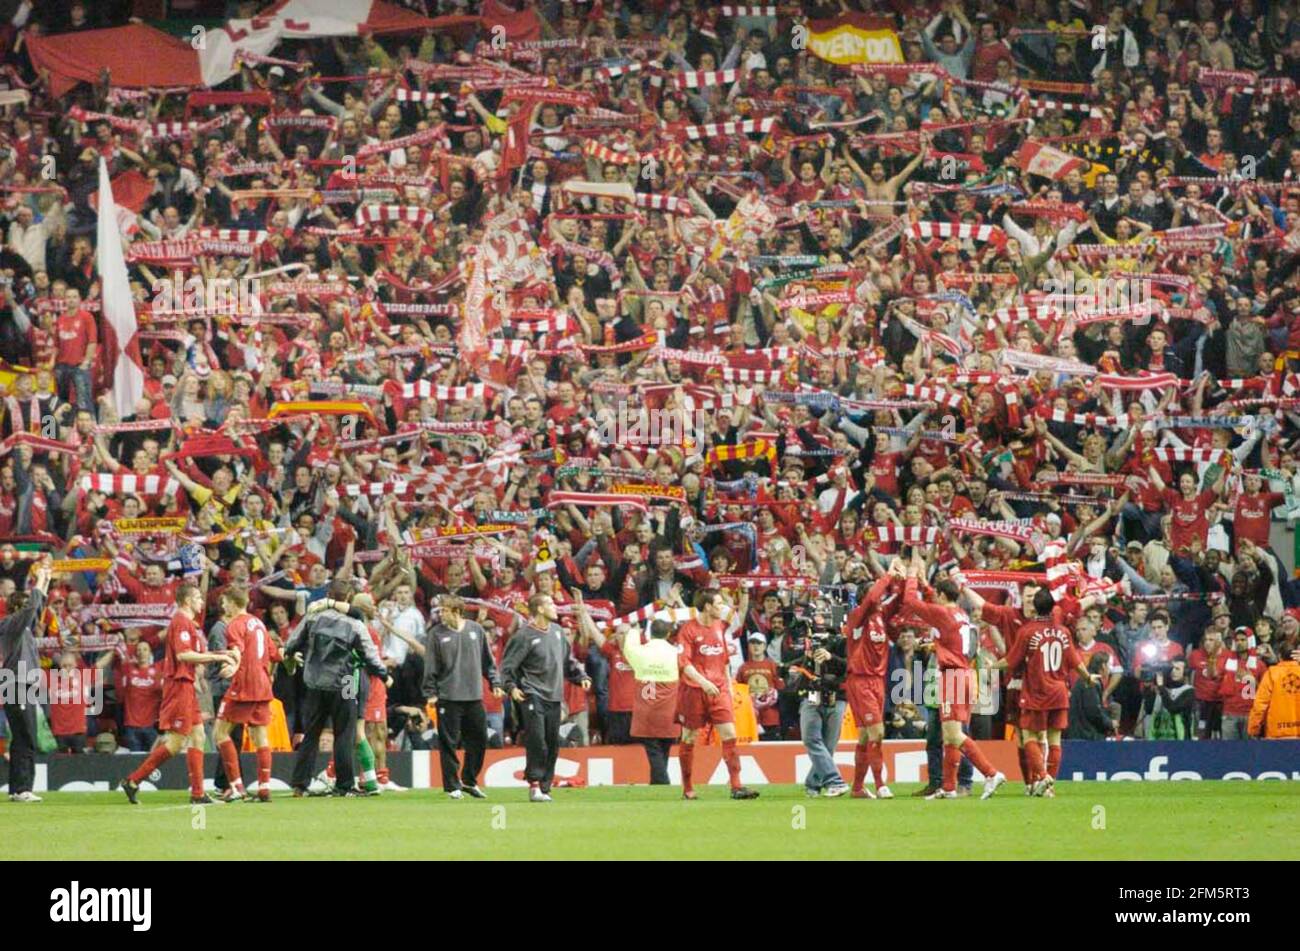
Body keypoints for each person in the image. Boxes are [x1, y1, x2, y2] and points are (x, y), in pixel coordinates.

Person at [900, 552, 1006, 800]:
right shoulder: (960, 613)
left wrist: (912, 575)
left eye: (936, 594)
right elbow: (932, 605)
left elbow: (910, 602)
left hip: (953, 678)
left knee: (954, 735)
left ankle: (991, 773)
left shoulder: (943, 614)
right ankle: (948, 788)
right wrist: (928, 585)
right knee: (951, 734)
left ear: (942, 596)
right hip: (966, 675)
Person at [121, 582, 235, 805]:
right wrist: (217, 657)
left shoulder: (188, 623)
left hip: (187, 686)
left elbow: (194, 655)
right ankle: (133, 780)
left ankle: (198, 793)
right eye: (198, 598)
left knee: (199, 735)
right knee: (175, 743)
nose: (202, 602)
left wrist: (218, 657)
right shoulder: (181, 622)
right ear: (187, 600)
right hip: (178, 686)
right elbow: (184, 655)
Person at [284, 581, 389, 798]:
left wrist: (291, 658)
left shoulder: (312, 618)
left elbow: (291, 643)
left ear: (329, 595)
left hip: (315, 682)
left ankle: (299, 785)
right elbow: (371, 655)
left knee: (311, 734)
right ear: (349, 597)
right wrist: (384, 675)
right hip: (346, 683)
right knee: (345, 733)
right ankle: (344, 785)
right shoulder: (355, 624)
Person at [1002, 588, 1102, 797]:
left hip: (1037, 692)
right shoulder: (1064, 632)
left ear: (1035, 607)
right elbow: (1075, 660)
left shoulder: (1028, 632)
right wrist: (1088, 677)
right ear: (1052, 607)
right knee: (1054, 739)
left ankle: (1043, 776)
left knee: (1029, 736)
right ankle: (1050, 787)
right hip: (1059, 692)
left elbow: (1011, 661)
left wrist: (990, 666)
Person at [500, 593, 591, 802]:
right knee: (537, 740)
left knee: (552, 743)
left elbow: (568, 661)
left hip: (554, 696)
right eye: (550, 603)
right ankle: (534, 784)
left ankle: (545, 786)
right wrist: (511, 687)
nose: (555, 607)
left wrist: (581, 676)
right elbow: (507, 667)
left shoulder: (558, 633)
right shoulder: (524, 636)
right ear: (539, 609)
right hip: (532, 694)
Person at [674, 589, 760, 801]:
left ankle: (737, 786)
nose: (722, 608)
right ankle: (687, 788)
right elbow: (683, 663)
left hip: (719, 690)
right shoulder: (687, 631)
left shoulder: (720, 627)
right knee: (689, 738)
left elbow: (723, 660)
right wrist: (703, 683)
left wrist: (728, 687)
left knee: (730, 735)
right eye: (719, 604)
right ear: (707, 607)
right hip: (694, 691)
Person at [421, 595, 502, 799]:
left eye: (444, 611)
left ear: (456, 611)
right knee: (449, 742)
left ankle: (469, 780)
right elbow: (430, 666)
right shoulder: (436, 634)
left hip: (474, 696)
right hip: (448, 697)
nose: (441, 614)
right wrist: (430, 692)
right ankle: (452, 786)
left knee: (479, 739)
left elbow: (488, 662)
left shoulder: (476, 630)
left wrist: (495, 683)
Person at [211, 589, 280, 803]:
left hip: (243, 685)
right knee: (261, 736)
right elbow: (275, 654)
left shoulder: (235, 624)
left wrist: (233, 666)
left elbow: (237, 650)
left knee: (220, 733)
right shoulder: (259, 624)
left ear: (232, 603)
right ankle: (264, 787)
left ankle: (236, 786)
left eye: (225, 603)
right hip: (262, 685)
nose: (223, 607)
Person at [842, 565, 902, 799]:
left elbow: (897, 601)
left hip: (878, 681)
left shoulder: (881, 617)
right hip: (860, 680)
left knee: (867, 736)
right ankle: (880, 785)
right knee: (877, 732)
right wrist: (887, 575)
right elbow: (873, 597)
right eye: (876, 594)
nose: (880, 598)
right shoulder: (857, 616)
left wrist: (903, 579)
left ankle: (857, 788)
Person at [0, 559, 52, 802]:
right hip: (17, 684)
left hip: (23, 685)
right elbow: (32, 608)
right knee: (26, 736)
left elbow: (37, 608)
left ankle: (16, 789)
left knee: (21, 737)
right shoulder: (11, 624)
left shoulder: (23, 628)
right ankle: (23, 789)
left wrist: (47, 579)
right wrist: (40, 580)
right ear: (17, 607)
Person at [1248, 648, 1300, 739]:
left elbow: (1260, 704)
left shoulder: (1271, 674)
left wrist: (1254, 729)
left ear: (1279, 656)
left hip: (1276, 734)